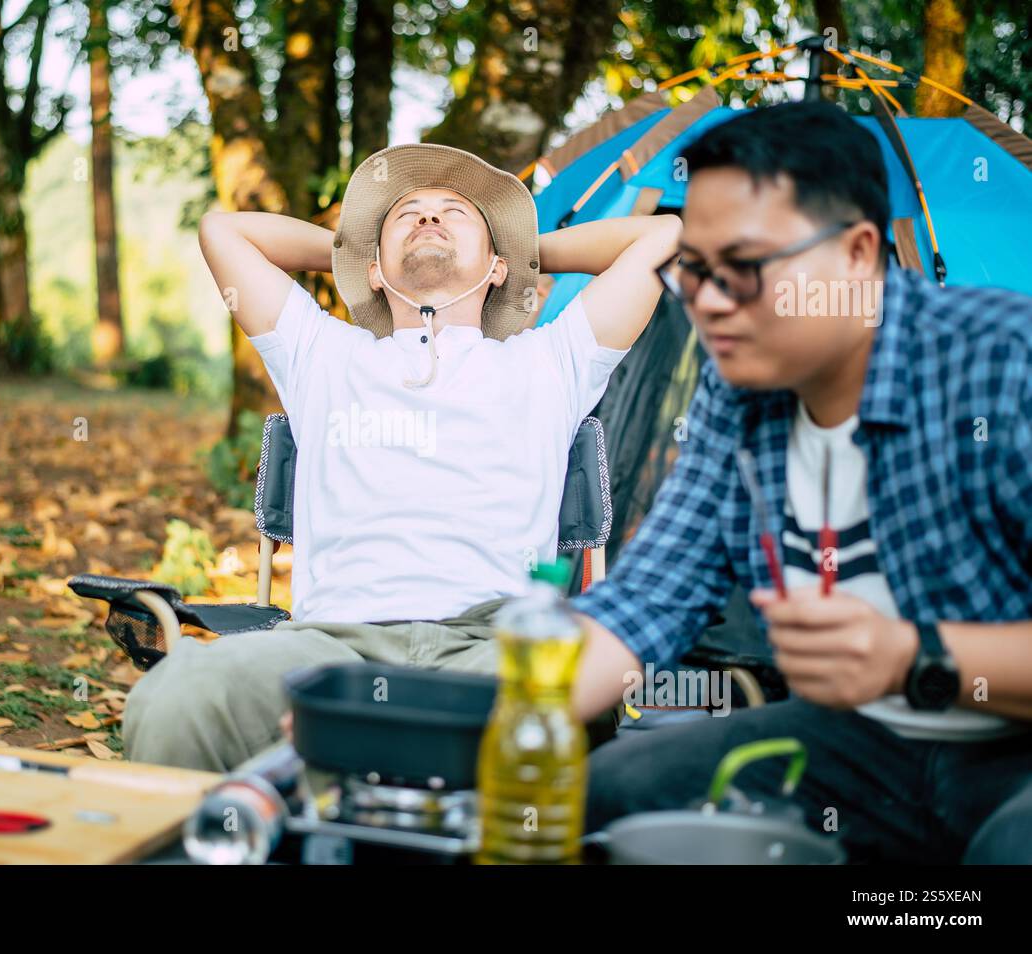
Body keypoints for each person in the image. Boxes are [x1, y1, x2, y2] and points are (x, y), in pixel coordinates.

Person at [570, 101, 1032, 863]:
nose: (709, 303)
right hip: (860, 745)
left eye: (745, 269)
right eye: (695, 269)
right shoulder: (739, 391)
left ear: (857, 254)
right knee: (610, 795)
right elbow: (647, 597)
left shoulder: (1002, 364)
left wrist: (911, 657)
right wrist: (498, 714)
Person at [124, 142, 681, 771]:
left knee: (559, 702)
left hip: (493, 645)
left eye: (454, 212)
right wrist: (360, 258)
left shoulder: (551, 361)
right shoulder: (321, 354)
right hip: (332, 645)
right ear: (377, 270)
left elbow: (662, 235)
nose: (428, 218)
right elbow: (223, 230)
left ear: (497, 268)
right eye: (406, 214)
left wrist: (522, 252)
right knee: (179, 698)